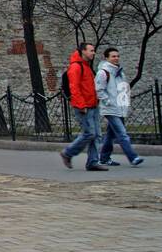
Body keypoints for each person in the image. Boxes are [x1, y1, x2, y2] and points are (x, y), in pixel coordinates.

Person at [60, 42, 108, 171]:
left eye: (93, 50)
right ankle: (68, 153)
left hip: (92, 104)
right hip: (84, 106)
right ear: (83, 51)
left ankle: (92, 162)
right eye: (91, 50)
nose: (93, 53)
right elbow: (74, 87)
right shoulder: (76, 67)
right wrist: (81, 105)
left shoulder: (86, 67)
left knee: (97, 135)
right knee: (89, 133)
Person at [96, 47, 144, 167]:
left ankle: (104, 158)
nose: (116, 58)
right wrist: (108, 102)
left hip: (120, 108)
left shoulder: (120, 72)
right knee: (122, 134)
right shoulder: (103, 72)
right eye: (113, 56)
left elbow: (123, 89)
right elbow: (98, 90)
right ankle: (133, 157)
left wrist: (124, 102)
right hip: (111, 109)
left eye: (117, 56)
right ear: (106, 58)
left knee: (110, 135)